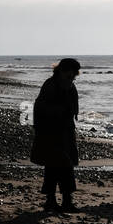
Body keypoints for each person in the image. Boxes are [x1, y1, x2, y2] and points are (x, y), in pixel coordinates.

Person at [28, 58, 82, 213]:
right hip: (50, 131)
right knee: (56, 166)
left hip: (65, 130)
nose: (72, 75)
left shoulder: (69, 85)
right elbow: (40, 107)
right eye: (69, 72)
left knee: (64, 165)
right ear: (62, 70)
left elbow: (71, 108)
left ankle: (63, 201)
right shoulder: (51, 85)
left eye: (74, 73)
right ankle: (55, 200)